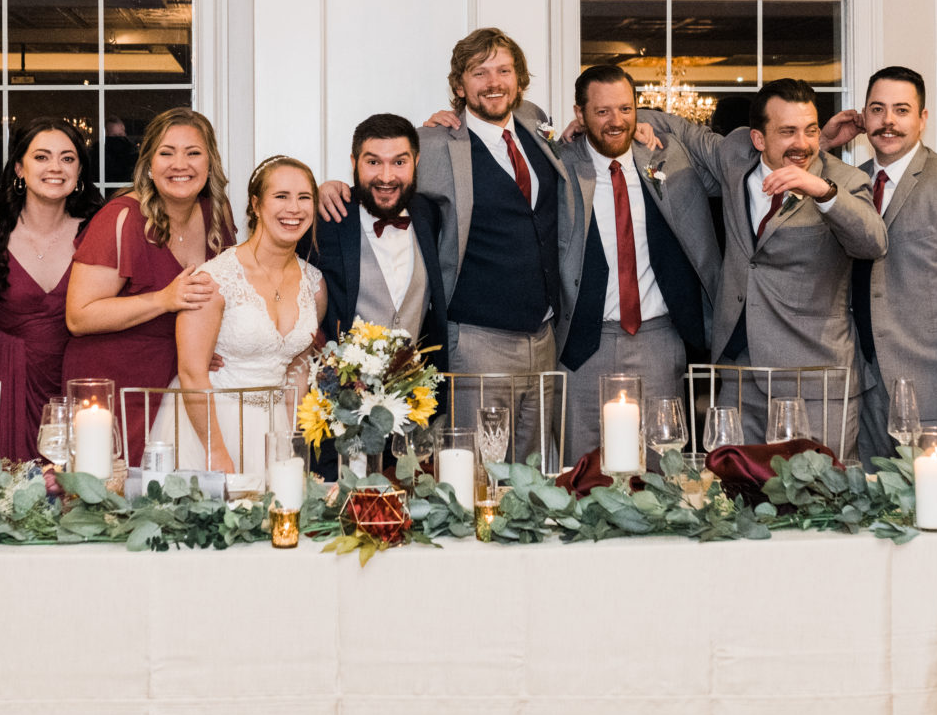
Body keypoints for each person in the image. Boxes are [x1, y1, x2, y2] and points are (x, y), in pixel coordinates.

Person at [324, 28, 567, 460]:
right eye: (479, 72)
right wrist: (331, 186)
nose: (493, 82)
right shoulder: (435, 143)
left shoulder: (534, 122)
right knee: (476, 471)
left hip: (545, 337)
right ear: (459, 85)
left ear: (520, 79)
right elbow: (386, 173)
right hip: (478, 340)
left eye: (504, 70)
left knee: (533, 472)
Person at [641, 78, 885, 459]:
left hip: (814, 378)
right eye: (787, 132)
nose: (802, 143)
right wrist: (623, 121)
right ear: (758, 139)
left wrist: (822, 191)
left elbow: (872, 241)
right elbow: (675, 125)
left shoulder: (845, 181)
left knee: (818, 502)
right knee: (738, 493)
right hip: (740, 375)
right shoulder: (735, 155)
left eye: (810, 130)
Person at [826, 68, 937, 465]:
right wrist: (822, 141)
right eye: (877, 110)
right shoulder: (854, 183)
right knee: (879, 507)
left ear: (922, 119)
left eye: (901, 110)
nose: (888, 120)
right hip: (866, 380)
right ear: (864, 119)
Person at [555, 65, 719, 464]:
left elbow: (716, 144)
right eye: (603, 111)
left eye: (626, 109)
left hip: (659, 341)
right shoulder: (558, 164)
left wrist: (646, 118)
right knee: (582, 473)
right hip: (581, 347)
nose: (617, 121)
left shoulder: (670, 156)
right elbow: (519, 120)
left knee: (662, 471)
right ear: (579, 115)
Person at [65, 108, 234, 466]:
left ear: (210, 161)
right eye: (166, 152)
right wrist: (163, 299)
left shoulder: (216, 215)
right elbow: (79, 316)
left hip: (182, 381)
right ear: (149, 163)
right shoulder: (121, 217)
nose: (180, 164)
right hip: (117, 384)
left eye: (193, 152)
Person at [169, 156, 326, 479]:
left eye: (304, 197)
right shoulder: (214, 279)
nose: (294, 209)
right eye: (281, 196)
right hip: (211, 426)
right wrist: (216, 452)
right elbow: (191, 373)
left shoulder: (315, 284)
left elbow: (298, 370)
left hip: (273, 430)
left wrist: (291, 447)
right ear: (256, 205)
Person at [0, 119, 98, 462]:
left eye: (68, 159)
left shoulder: (97, 230)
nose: (55, 168)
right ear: (19, 168)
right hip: (0, 382)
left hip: (75, 382)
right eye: (42, 157)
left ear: (80, 171)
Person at [304, 113, 450, 363]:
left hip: (415, 394)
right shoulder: (326, 219)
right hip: (339, 393)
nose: (386, 177)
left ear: (416, 161)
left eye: (399, 162)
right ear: (354, 162)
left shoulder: (430, 214)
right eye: (373, 162)